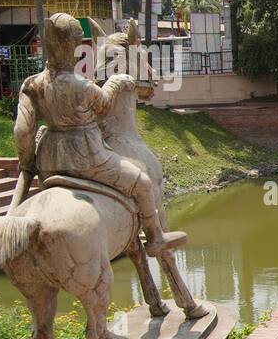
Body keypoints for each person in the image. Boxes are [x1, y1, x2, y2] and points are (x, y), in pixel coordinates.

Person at [13, 13, 185, 254]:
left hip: (48, 162)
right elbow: (103, 105)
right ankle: (156, 238)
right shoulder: (79, 85)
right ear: (71, 45)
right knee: (144, 183)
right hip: (86, 157)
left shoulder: (31, 84)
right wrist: (117, 81)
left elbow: (22, 130)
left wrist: (28, 161)